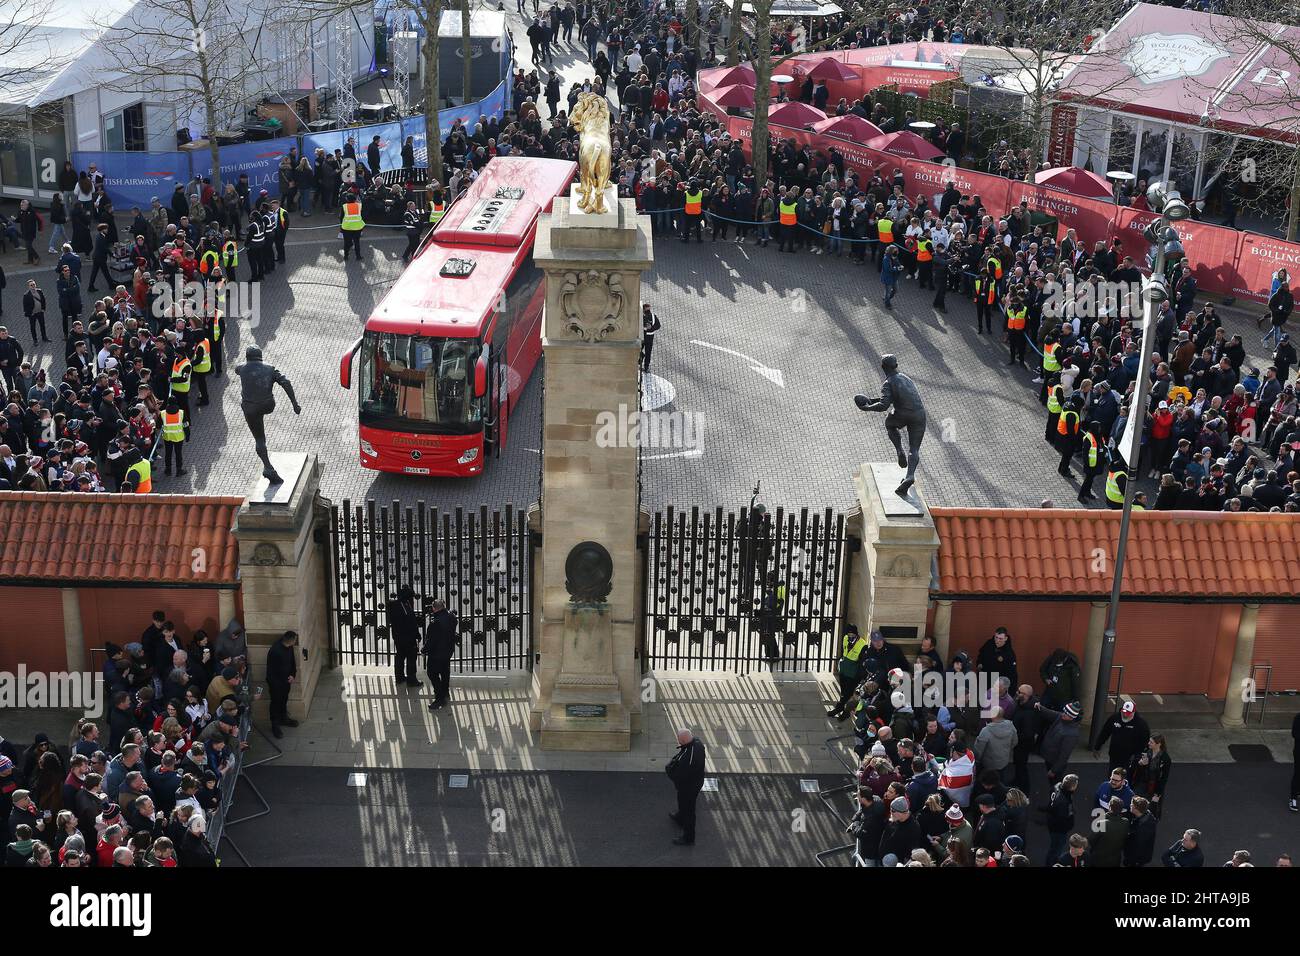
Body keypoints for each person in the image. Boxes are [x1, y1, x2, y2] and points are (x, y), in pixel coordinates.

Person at [854, 353, 927, 496]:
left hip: (902, 414)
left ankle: (899, 449)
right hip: (919, 415)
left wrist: (866, 408)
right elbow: (893, 397)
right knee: (914, 448)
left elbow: (883, 405)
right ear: (896, 365)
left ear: (882, 367)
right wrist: (871, 399)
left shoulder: (888, 383)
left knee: (890, 424)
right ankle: (910, 475)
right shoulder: (906, 378)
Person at [666, 727, 706, 846]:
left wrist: (670, 771)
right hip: (696, 781)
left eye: (678, 739)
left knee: (689, 810)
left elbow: (679, 775)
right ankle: (680, 816)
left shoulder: (687, 757)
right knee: (682, 801)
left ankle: (688, 837)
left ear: (682, 741)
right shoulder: (698, 743)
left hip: (689, 787)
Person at [1094, 700, 1151, 774]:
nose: (1125, 714)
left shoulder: (1141, 724)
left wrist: (1138, 756)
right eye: (1123, 712)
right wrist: (1097, 747)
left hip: (1129, 758)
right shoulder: (1114, 718)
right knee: (1112, 775)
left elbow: (1144, 742)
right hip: (1114, 755)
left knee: (1126, 778)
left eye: (1128, 713)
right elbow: (1104, 733)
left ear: (1133, 712)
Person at [827, 624, 868, 720]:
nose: (850, 636)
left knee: (847, 694)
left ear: (856, 634)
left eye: (852, 635)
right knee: (843, 693)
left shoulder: (862, 644)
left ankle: (841, 710)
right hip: (844, 671)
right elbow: (844, 651)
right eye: (849, 634)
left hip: (853, 674)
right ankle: (842, 708)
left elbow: (862, 662)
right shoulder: (845, 638)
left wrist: (858, 676)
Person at [423, 599, 457, 710]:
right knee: (445, 671)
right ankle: (445, 692)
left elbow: (431, 640)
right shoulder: (451, 617)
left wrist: (424, 650)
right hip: (448, 650)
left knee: (432, 673)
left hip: (437, 653)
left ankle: (439, 698)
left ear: (434, 608)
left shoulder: (435, 623)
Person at [265, 630, 299, 739]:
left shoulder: (289, 647)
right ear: (291, 640)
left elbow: (292, 662)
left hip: (286, 681)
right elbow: (271, 671)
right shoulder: (275, 651)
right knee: (275, 702)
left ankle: (284, 718)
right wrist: (276, 685)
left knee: (284, 700)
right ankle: (275, 724)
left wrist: (292, 675)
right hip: (276, 683)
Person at [389, 585, 423, 688]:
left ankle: (399, 677)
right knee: (411, 658)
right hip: (408, 637)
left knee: (400, 656)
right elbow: (411, 623)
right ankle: (411, 680)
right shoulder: (404, 606)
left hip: (398, 637)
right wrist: (417, 634)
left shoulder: (394, 605)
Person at [340, 191, 366, 260]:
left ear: (347, 199)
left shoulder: (344, 206)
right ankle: (358, 256)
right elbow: (362, 215)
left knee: (346, 243)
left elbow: (341, 217)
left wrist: (341, 226)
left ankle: (346, 256)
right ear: (354, 199)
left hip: (347, 228)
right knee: (357, 242)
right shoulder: (359, 205)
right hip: (357, 227)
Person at [641, 304, 661, 373]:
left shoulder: (641, 316)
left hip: (642, 337)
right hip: (650, 337)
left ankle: (640, 358)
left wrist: (646, 328)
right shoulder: (653, 316)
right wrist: (652, 328)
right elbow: (658, 326)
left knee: (638, 349)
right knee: (648, 352)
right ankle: (646, 367)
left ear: (643, 310)